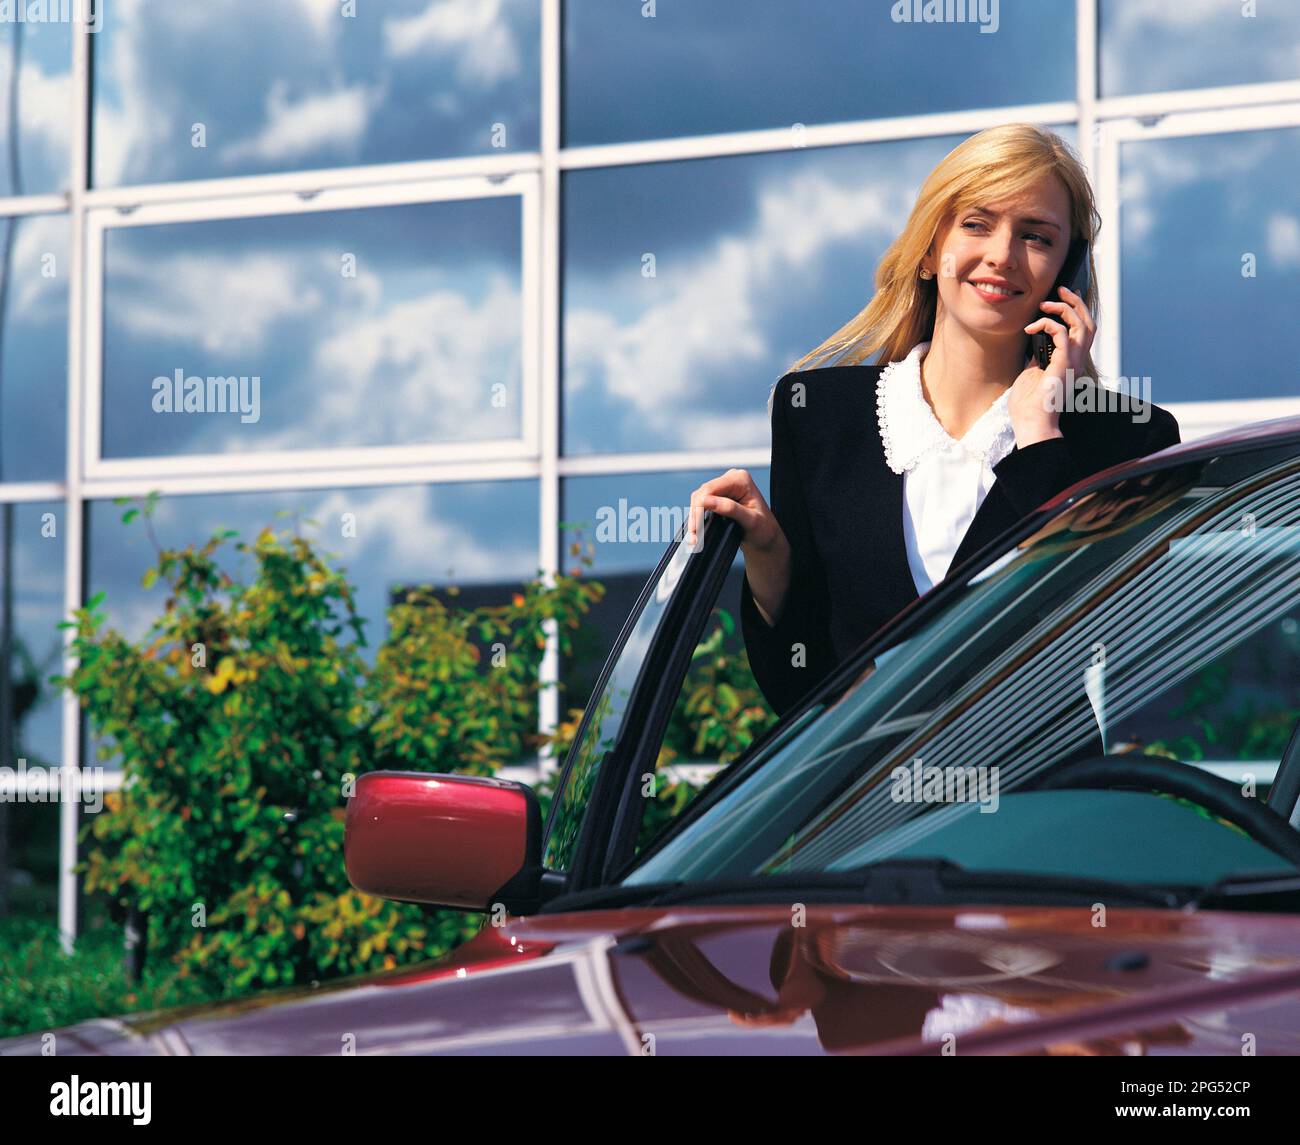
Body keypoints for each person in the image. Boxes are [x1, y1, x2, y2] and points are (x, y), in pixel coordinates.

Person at [685, 123, 1180, 719]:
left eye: (1037, 237)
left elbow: (1109, 640)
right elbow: (801, 693)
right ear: (928, 250)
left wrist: (1042, 442)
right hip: (863, 803)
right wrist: (769, 561)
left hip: (1037, 799)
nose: (1001, 254)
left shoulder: (1129, 439)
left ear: (1066, 271)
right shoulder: (819, 416)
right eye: (976, 224)